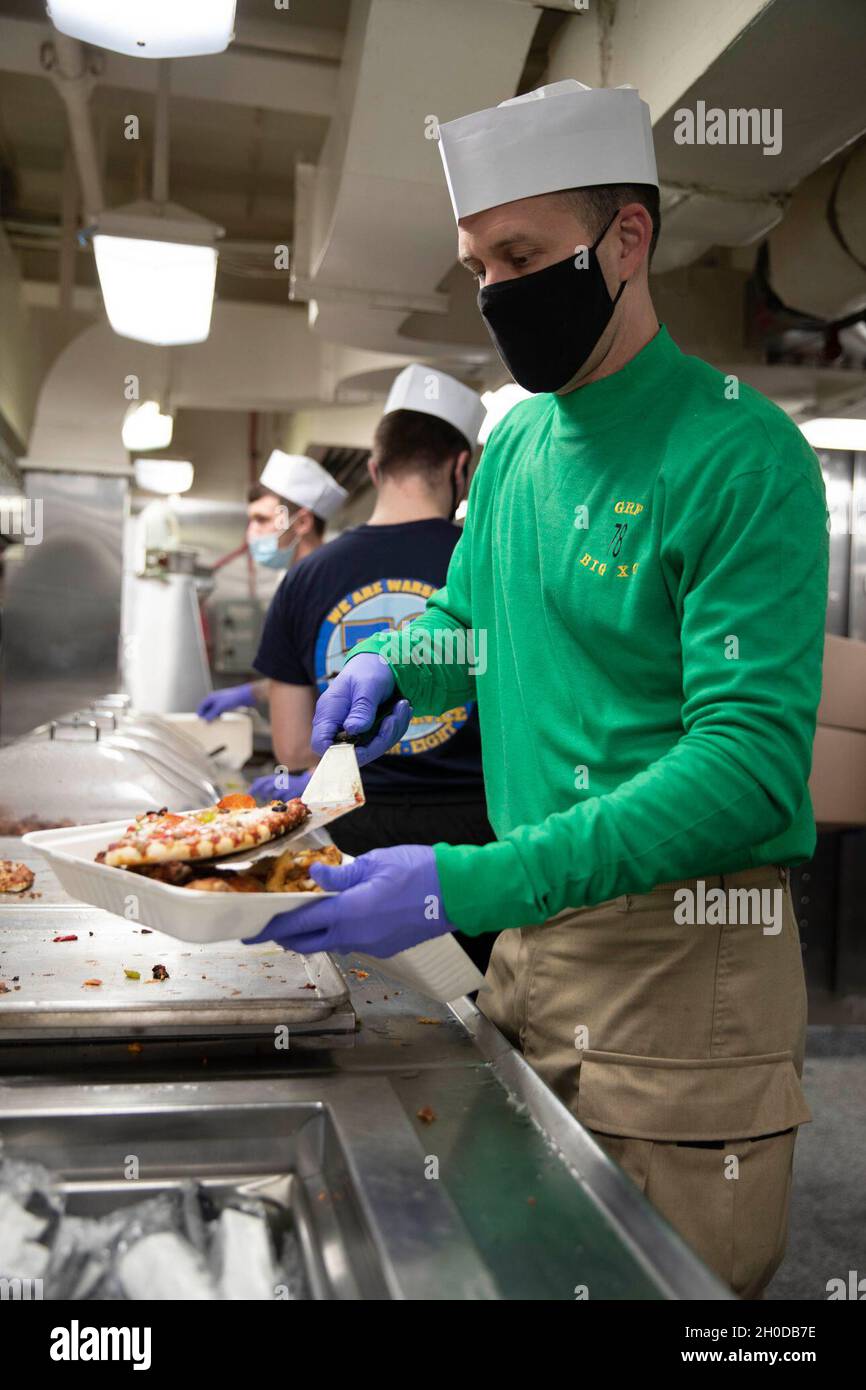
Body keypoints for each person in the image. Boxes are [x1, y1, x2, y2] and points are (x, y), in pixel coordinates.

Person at [247, 80, 830, 1298]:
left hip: (684, 975)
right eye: (477, 266)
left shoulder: (736, 453)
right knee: (526, 1265)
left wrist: (466, 880)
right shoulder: (513, 444)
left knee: (662, 1288)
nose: (497, 292)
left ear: (627, 238)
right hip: (530, 950)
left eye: (521, 255)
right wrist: (396, 660)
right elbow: (472, 613)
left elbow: (746, 766)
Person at [251, 365, 496, 971]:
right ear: (462, 467)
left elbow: (291, 744)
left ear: (376, 467)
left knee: (363, 1012)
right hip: (475, 850)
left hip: (351, 830)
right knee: (477, 1034)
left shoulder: (305, 576)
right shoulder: (488, 564)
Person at [197, 452, 346, 722]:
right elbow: (299, 675)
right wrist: (249, 692)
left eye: (262, 519)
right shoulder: (290, 582)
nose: (251, 532)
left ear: (302, 522)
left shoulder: (331, 586)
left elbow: (332, 678)